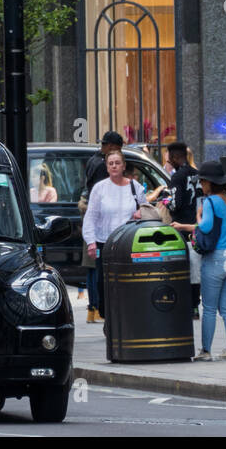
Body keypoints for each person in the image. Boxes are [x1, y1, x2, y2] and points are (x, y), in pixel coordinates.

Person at [82, 149, 146, 322]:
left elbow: (146, 211)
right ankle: (108, 317)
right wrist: (91, 242)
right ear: (106, 166)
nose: (114, 166)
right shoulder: (99, 189)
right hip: (105, 243)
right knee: (104, 285)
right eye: (111, 163)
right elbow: (91, 216)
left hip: (129, 243)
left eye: (117, 163)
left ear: (124, 166)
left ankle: (127, 318)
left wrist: (141, 212)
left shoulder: (136, 188)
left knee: (128, 283)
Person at [193, 158, 226, 361]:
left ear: (210, 182)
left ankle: (205, 350)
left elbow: (205, 227)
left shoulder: (210, 201)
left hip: (216, 259)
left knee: (209, 308)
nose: (201, 185)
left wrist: (198, 216)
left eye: (202, 182)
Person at [79, 131, 125, 322]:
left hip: (91, 216)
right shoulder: (101, 166)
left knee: (92, 266)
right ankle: (96, 306)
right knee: (98, 267)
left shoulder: (92, 160)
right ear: (112, 147)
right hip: (99, 221)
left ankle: (93, 309)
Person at [166, 141, 202, 318]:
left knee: (183, 270)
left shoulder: (177, 177)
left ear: (174, 157)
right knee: (196, 271)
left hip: (180, 228)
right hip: (197, 228)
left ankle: (185, 305)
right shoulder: (197, 174)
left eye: (168, 156)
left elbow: (175, 203)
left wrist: (165, 200)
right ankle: (195, 305)